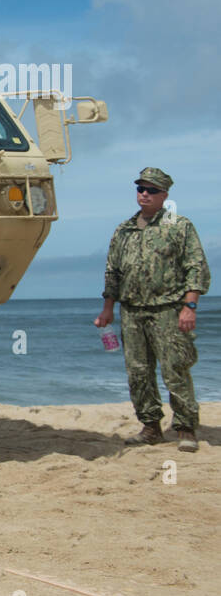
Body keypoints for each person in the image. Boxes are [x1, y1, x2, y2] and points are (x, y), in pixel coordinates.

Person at [96, 167, 210, 451]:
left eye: (152, 190)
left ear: (165, 195)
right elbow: (113, 272)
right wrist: (108, 309)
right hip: (132, 311)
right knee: (138, 372)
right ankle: (150, 427)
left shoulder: (178, 226)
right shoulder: (124, 230)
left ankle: (185, 428)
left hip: (167, 309)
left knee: (175, 369)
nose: (144, 194)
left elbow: (195, 267)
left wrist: (189, 306)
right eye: (140, 189)